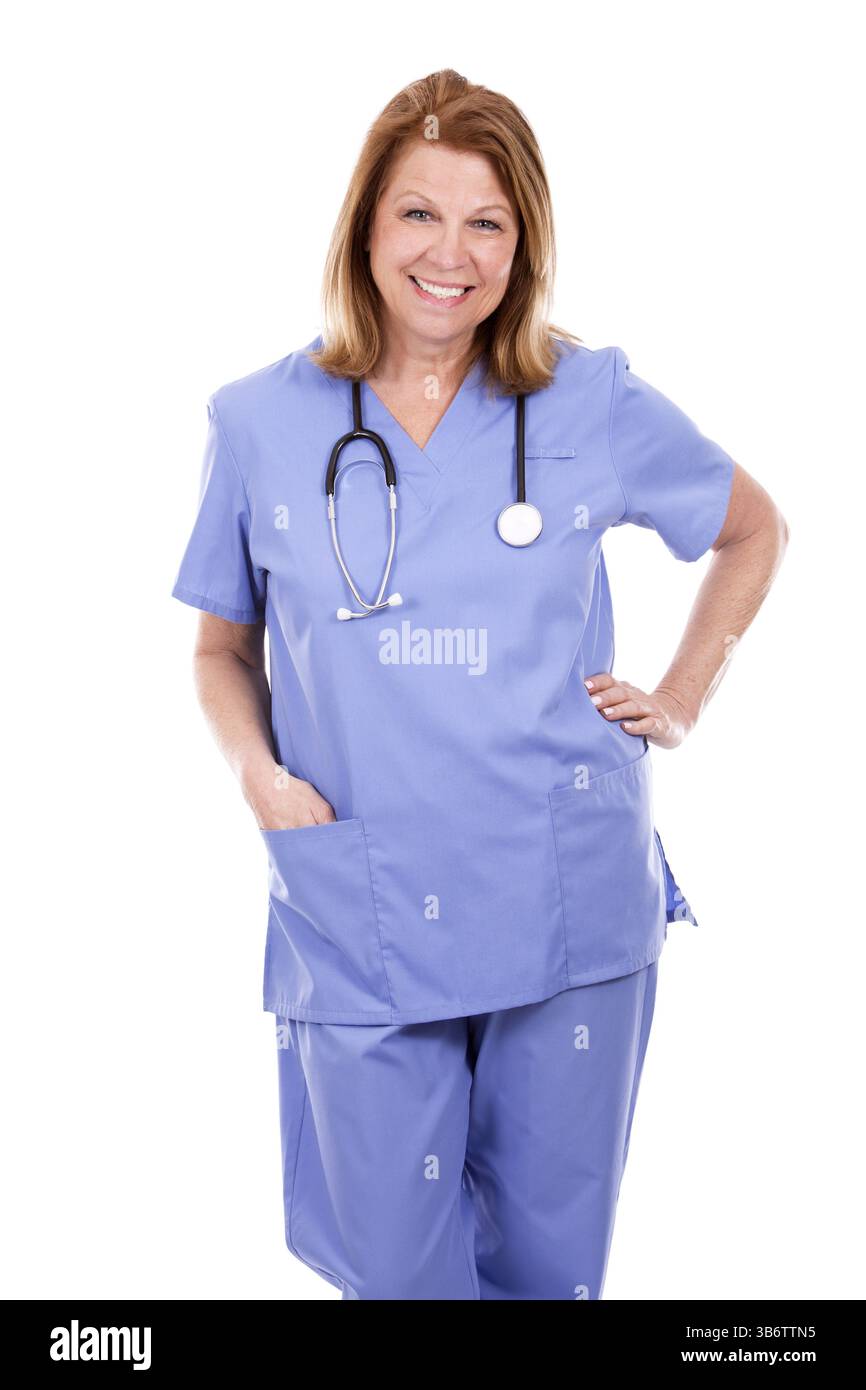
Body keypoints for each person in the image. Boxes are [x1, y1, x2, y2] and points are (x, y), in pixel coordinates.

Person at [171, 69, 788, 1300]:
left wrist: (681, 693)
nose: (449, 254)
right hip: (359, 893)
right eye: (418, 214)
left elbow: (752, 528)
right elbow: (220, 649)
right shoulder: (259, 422)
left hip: (561, 897)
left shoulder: (589, 396)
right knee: (395, 1274)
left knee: (549, 1273)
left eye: (486, 223)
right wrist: (259, 778)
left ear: (523, 241)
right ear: (364, 225)